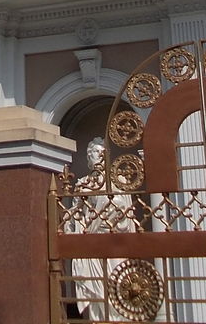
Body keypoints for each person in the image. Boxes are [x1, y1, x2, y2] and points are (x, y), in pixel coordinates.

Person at [68, 138, 136, 322]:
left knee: (118, 282)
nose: (95, 156)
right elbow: (76, 217)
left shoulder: (118, 181)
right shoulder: (83, 184)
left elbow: (127, 214)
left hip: (114, 241)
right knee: (97, 292)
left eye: (98, 152)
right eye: (91, 153)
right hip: (92, 243)